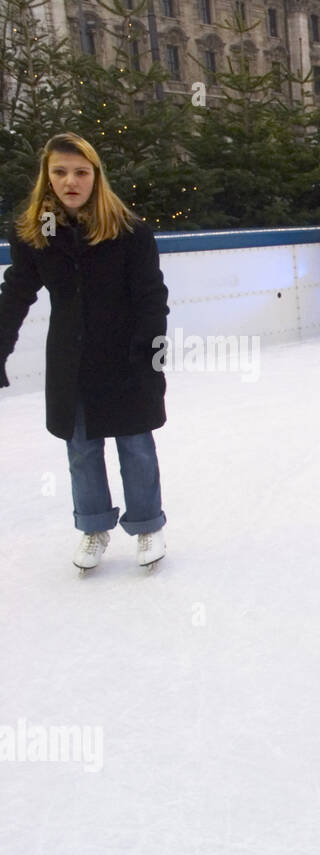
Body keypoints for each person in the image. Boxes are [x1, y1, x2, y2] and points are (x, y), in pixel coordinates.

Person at [0, 132, 169, 572]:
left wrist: (152, 357)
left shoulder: (129, 232)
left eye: (80, 172)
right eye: (60, 172)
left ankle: (147, 523)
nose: (70, 181)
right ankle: (94, 526)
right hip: (70, 359)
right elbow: (16, 293)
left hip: (126, 355)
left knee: (135, 444)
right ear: (47, 177)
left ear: (96, 175)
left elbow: (152, 298)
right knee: (81, 447)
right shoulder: (38, 234)